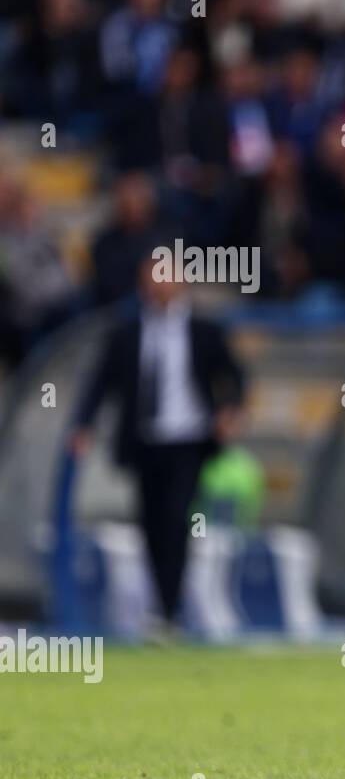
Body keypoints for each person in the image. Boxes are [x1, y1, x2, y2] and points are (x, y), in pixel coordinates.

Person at [70, 256, 246, 632]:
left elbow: (233, 374)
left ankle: (168, 609)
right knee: (149, 523)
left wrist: (231, 409)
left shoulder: (204, 330)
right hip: (145, 442)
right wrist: (83, 425)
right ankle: (162, 607)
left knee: (177, 519)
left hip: (189, 440)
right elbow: (102, 383)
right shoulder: (127, 333)